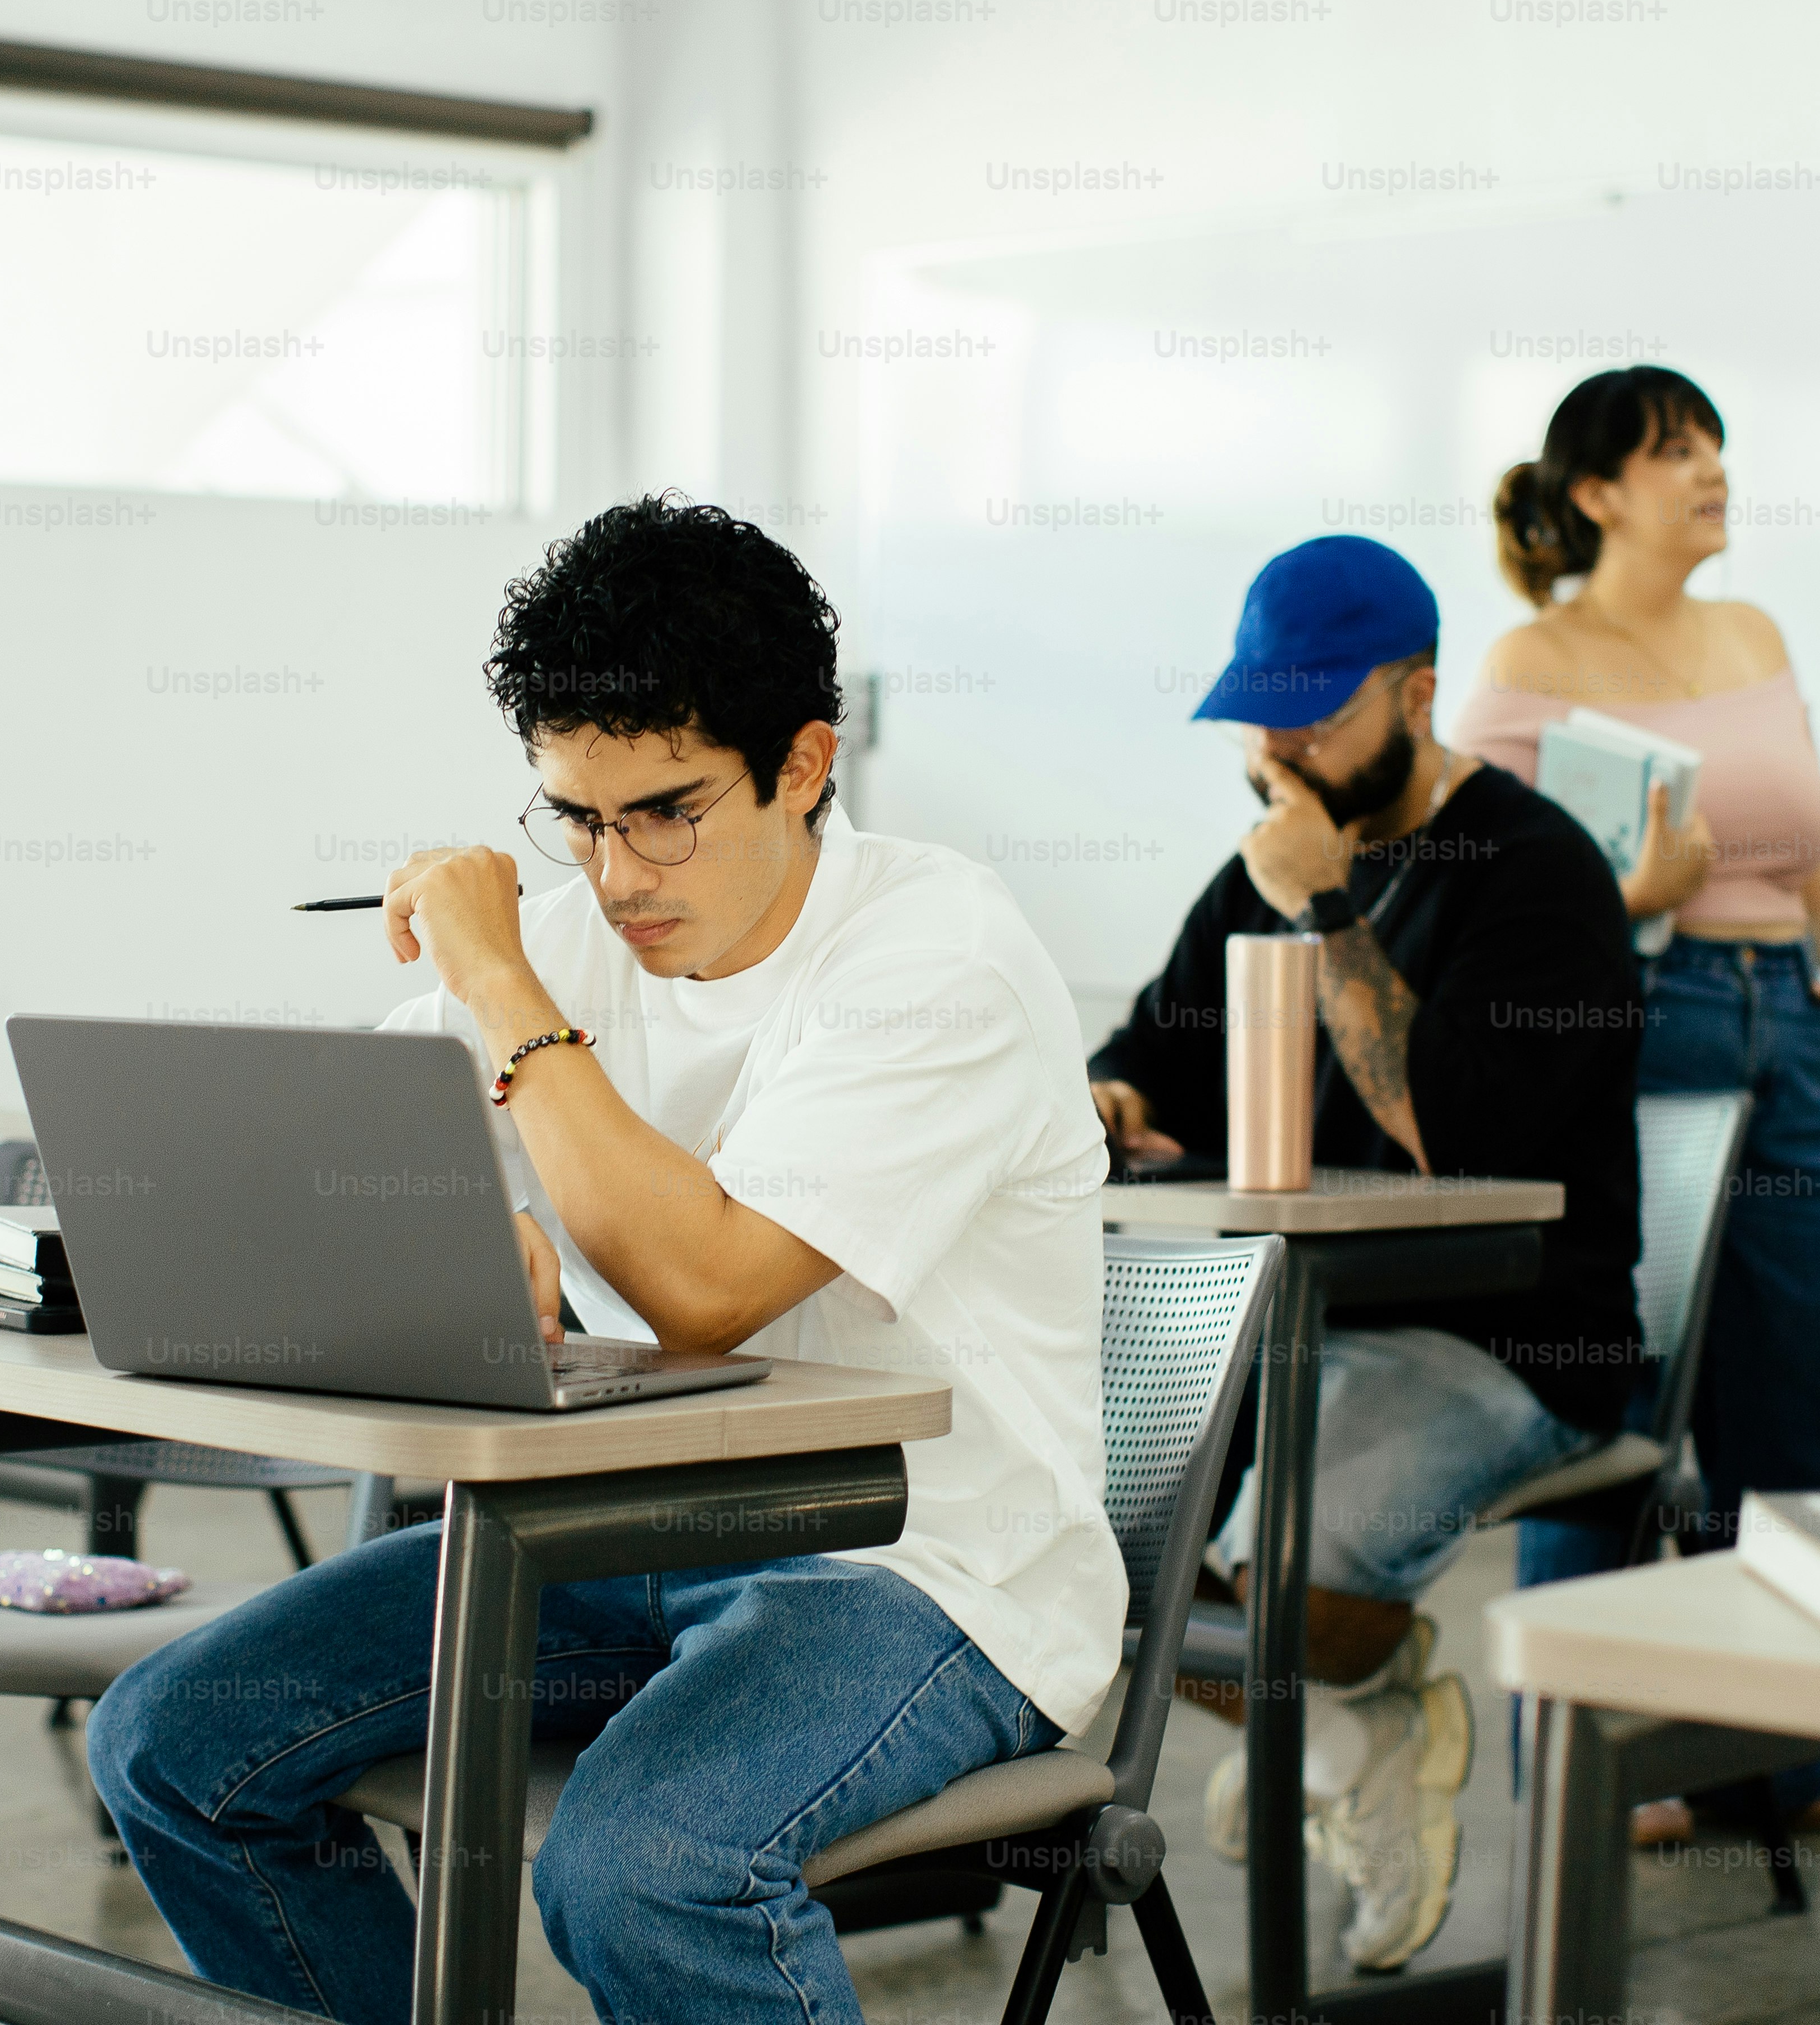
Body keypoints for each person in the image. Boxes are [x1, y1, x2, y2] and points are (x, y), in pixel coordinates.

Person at [88, 496, 1120, 2025]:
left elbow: (710, 1287)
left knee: (642, 1866)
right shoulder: (579, 939)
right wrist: (453, 1232)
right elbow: (337, 1165)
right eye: (573, 817)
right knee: (172, 1746)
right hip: (619, 1532)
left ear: (805, 764)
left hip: (927, 1569)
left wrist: (498, 980)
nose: (618, 872)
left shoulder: (937, 956)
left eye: (666, 811)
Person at [1087, 533, 1646, 1972]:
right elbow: (1149, 1049)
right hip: (1298, 1324)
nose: (1277, 752)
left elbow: (1452, 1131)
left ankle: (1319, 1716)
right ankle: (1353, 1732)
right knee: (1073, 1532)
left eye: (1313, 718)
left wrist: (1328, 909)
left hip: (1511, 1336)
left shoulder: (1535, 871)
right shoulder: (1261, 869)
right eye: (1257, 720)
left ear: (1417, 692)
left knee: (1287, 1560)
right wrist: (1114, 1096)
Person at [1453, 365, 1820, 1842]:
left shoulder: (1751, 632)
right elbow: (1494, 895)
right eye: (1673, 452)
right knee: (1618, 1395)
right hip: (1646, 1020)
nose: (1711, 470)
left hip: (1791, 1030)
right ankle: (1581, 1763)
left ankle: (1768, 1755)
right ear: (1594, 493)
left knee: (1810, 1398)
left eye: (1714, 444)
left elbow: (1799, 836)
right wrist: (1630, 894)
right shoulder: (1533, 657)